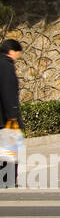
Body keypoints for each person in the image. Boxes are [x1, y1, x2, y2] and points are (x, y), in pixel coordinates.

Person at [0, 39, 22, 187]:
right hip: (6, 117)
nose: (18, 56)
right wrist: (12, 114)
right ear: (11, 51)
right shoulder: (6, 66)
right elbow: (7, 91)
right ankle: (7, 179)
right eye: (18, 53)